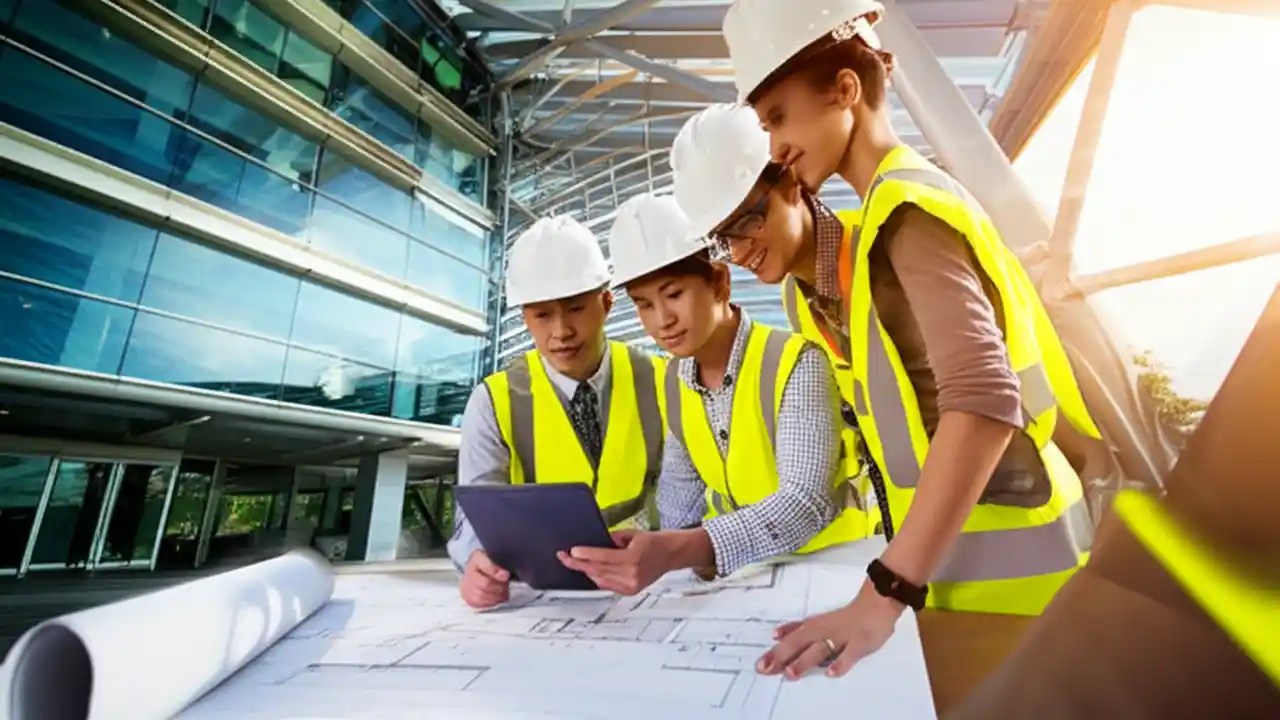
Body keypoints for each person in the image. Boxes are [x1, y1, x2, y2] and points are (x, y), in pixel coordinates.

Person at [708, 0, 1103, 679]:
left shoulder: (905, 211)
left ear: (844, 90)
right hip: (969, 583)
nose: (773, 147)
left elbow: (981, 402)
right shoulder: (888, 216)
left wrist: (884, 593)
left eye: (777, 116)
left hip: (1019, 594)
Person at [558, 193, 858, 593]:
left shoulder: (796, 361)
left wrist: (683, 549)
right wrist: (650, 551)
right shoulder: (673, 379)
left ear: (720, 282)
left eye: (674, 294)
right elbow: (679, 503)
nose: (662, 321)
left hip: (833, 575)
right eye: (644, 305)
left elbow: (805, 503)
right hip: (746, 582)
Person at [670, 104, 882, 538]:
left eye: (748, 222)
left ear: (788, 182)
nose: (741, 251)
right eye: (723, 239)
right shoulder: (797, 294)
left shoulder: (883, 253)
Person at [449, 215, 666, 610]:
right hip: (536, 594)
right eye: (542, 315)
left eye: (575, 308)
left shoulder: (659, 381)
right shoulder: (493, 401)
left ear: (606, 303)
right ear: (524, 319)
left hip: (647, 589)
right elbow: (474, 516)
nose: (561, 331)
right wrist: (475, 564)